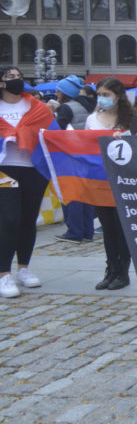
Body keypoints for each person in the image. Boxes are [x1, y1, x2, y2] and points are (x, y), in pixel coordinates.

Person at [0, 66, 53, 298]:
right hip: (5, 170)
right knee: (9, 219)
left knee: (28, 218)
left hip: (33, 168)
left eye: (19, 76)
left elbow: (51, 133)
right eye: (10, 77)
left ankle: (24, 268)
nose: (16, 80)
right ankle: (3, 274)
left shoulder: (37, 107)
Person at [85, 77, 135, 290]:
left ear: (118, 96)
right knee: (107, 228)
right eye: (99, 95)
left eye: (106, 95)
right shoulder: (92, 119)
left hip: (123, 181)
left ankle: (123, 272)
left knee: (121, 227)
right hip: (100, 179)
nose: (102, 99)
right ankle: (111, 268)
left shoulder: (130, 120)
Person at [54, 75, 97, 243]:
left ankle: (74, 231)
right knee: (87, 195)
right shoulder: (89, 106)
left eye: (59, 90)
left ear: (65, 92)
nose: (56, 93)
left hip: (70, 155)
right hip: (88, 155)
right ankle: (87, 231)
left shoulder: (65, 108)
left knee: (72, 195)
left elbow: (58, 132)